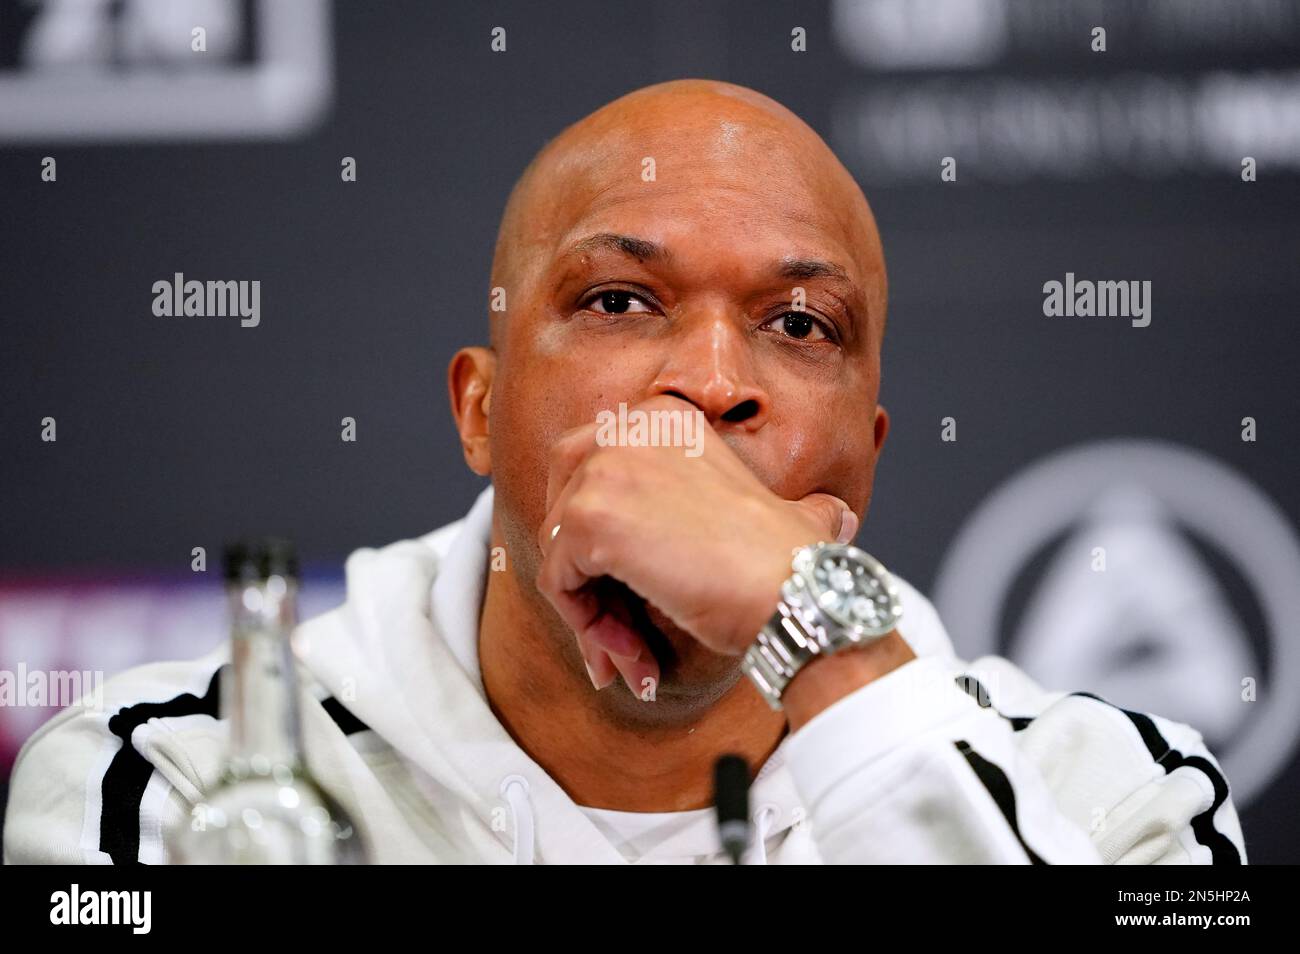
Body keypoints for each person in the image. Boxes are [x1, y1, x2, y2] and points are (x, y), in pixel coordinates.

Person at [3, 80, 1246, 864]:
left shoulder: (1122, 798)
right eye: (617, 301)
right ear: (481, 413)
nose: (706, 382)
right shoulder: (171, 783)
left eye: (799, 324)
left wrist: (829, 639)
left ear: (861, 465)